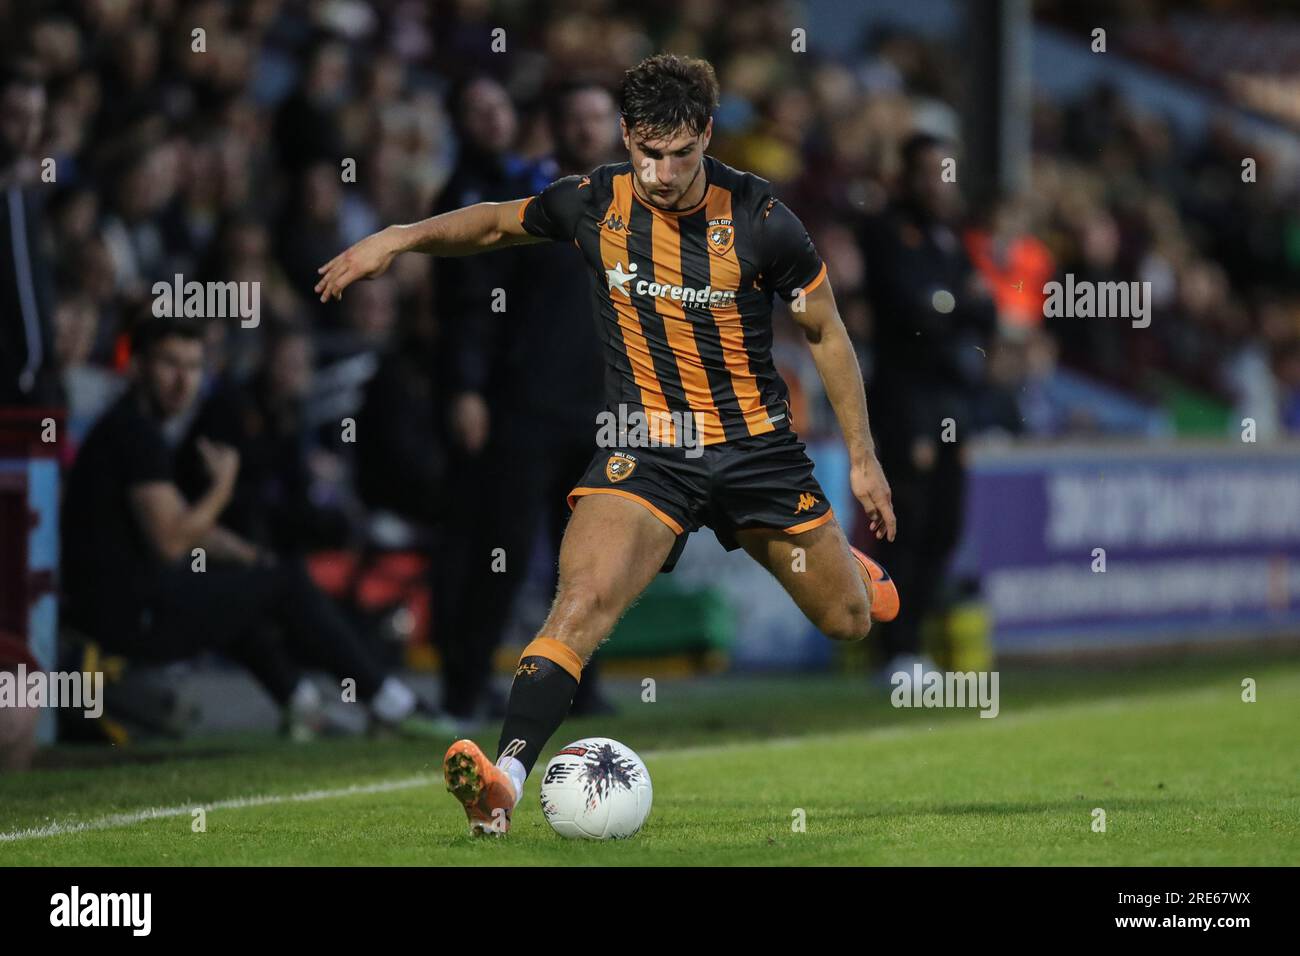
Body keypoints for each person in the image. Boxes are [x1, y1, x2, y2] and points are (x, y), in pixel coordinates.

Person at [316, 54, 901, 834]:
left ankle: (847, 567)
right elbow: (493, 222)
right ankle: (504, 785)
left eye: (681, 155)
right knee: (581, 604)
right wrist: (401, 236)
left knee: (848, 621)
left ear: (708, 137)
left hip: (755, 452)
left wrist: (862, 457)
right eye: (647, 152)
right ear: (626, 137)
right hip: (646, 450)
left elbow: (826, 331)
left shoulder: (762, 220)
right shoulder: (594, 202)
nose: (662, 173)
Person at [60, 315, 448, 740]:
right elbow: (172, 542)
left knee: (255, 584)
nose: (181, 381)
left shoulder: (135, 426)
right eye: (169, 364)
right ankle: (388, 700)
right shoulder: (133, 433)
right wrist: (222, 486)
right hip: (124, 617)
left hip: (125, 604)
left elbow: (184, 528)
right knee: (280, 584)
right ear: (136, 366)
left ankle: (302, 704)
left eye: (192, 367)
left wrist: (248, 558)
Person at [857, 133, 997, 683]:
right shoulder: (887, 231)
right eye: (928, 172)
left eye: (946, 171)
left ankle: (914, 641)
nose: (938, 183)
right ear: (905, 176)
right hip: (905, 399)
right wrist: (955, 305)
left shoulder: (949, 237)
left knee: (945, 524)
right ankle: (894, 649)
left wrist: (952, 305)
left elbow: (982, 311)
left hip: (951, 401)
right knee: (905, 522)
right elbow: (911, 311)